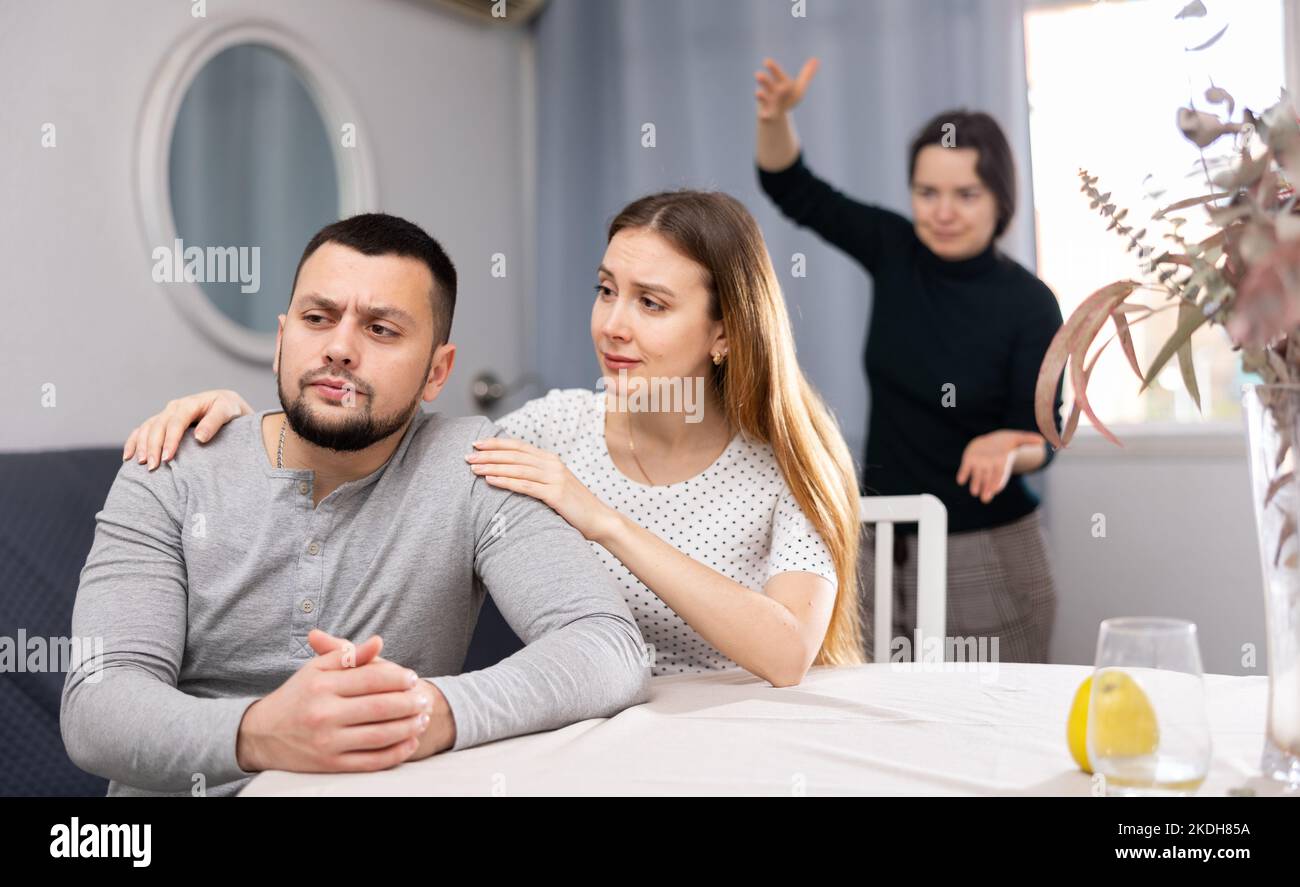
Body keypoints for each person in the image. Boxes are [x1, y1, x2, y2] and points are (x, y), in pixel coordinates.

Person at [122, 190, 866, 684]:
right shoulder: (549, 428)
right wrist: (252, 426)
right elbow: (391, 450)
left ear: (725, 334)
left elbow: (786, 652)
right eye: (606, 289)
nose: (614, 324)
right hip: (606, 734)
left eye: (652, 302)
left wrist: (604, 520)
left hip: (750, 736)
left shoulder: (796, 459)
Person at [62, 212, 650, 797]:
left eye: (381, 330)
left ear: (436, 372)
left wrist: (426, 712)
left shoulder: (474, 467)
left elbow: (607, 645)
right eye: (317, 319)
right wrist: (262, 733)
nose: (340, 348)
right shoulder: (169, 467)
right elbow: (97, 704)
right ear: (282, 339)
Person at [753, 58, 1065, 662]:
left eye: (965, 194)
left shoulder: (1029, 303)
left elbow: (1043, 438)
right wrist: (776, 116)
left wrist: (1009, 445)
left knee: (987, 731)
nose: (942, 212)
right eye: (927, 192)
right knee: (880, 724)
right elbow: (791, 187)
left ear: (1000, 197)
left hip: (987, 553)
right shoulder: (896, 250)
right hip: (880, 541)